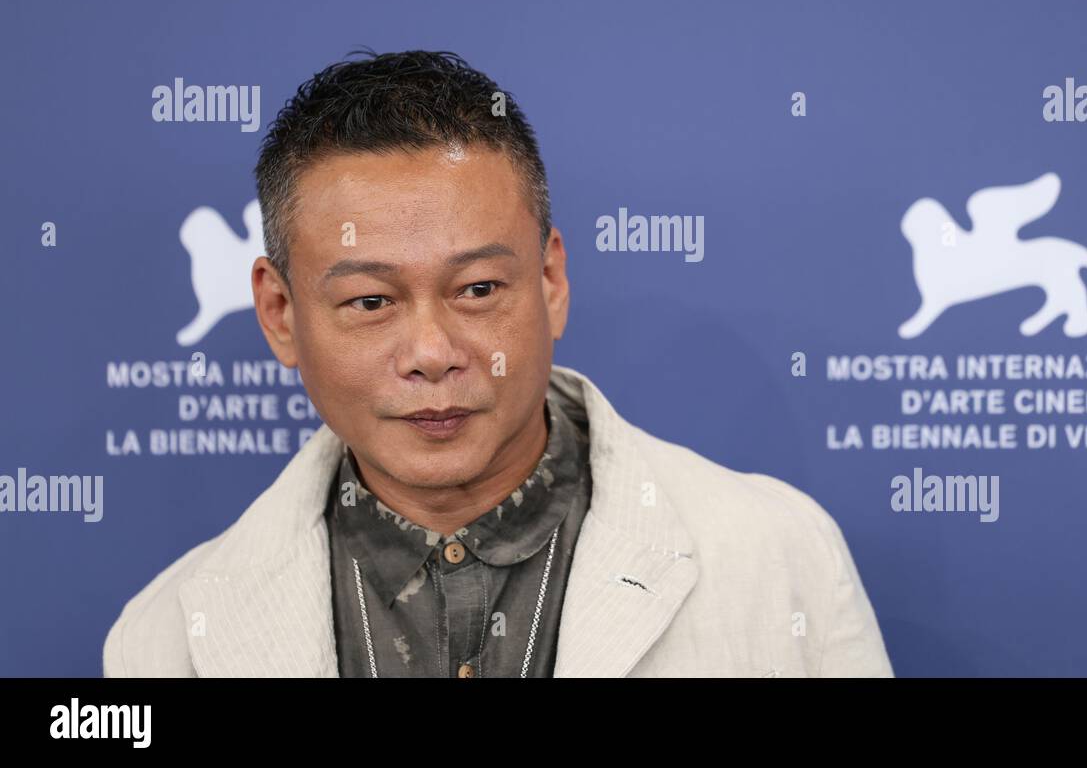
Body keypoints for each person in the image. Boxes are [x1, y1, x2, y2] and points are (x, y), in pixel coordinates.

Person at [103, 49, 893, 678]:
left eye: (478, 288)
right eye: (370, 302)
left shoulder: (778, 555)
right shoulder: (164, 636)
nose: (432, 354)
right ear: (280, 313)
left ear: (550, 282)